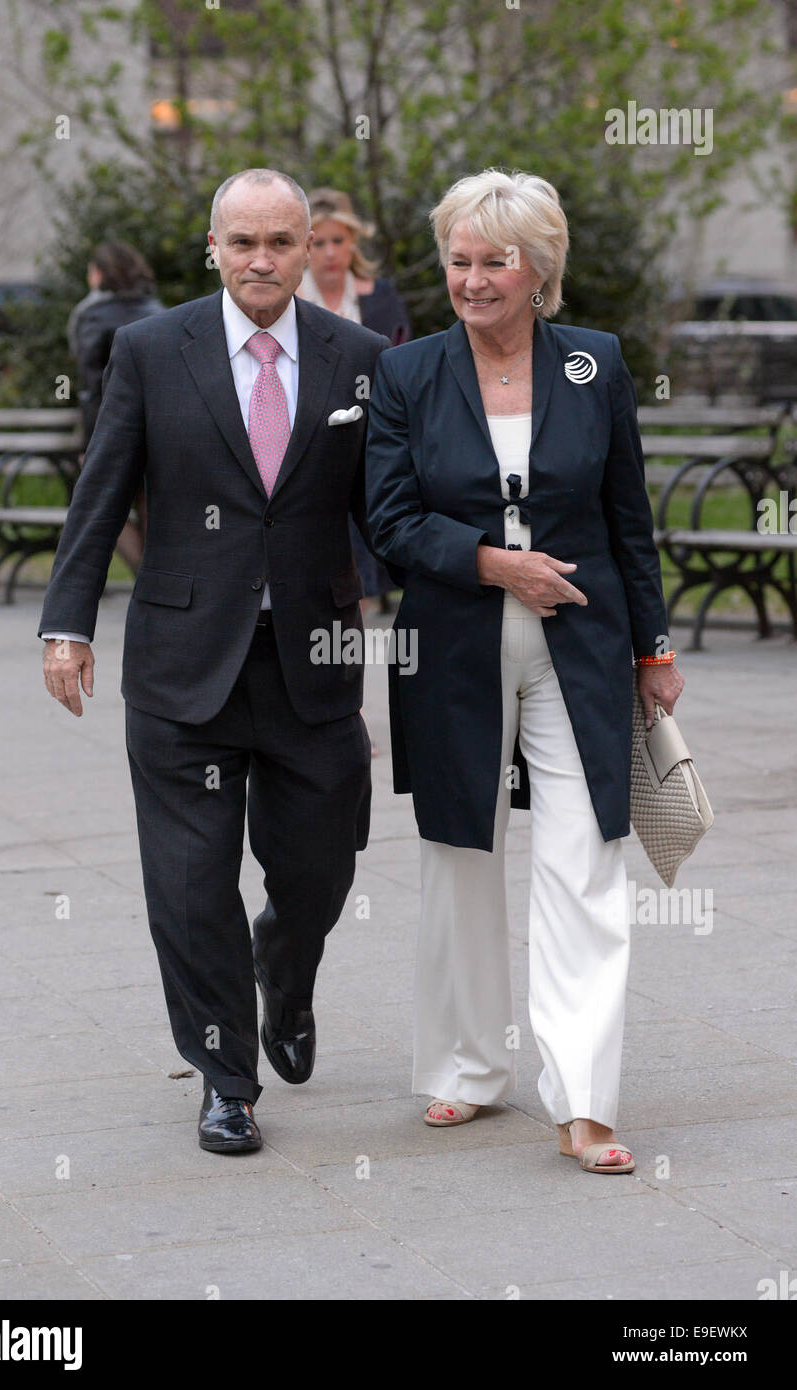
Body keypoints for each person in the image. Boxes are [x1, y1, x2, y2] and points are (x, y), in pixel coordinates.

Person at [40, 169, 389, 1155]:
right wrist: (67, 622)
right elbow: (101, 492)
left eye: (281, 240)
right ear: (213, 248)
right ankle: (224, 1077)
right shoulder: (150, 349)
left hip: (310, 667)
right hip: (181, 663)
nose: (263, 260)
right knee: (189, 886)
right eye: (243, 243)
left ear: (310, 240)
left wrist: (459, 600)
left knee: (319, 868)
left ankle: (283, 960)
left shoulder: (358, 357)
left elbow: (385, 512)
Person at [366, 168, 684, 1174]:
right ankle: (464, 1066)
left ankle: (582, 1100)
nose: (471, 279)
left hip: (581, 645)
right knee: (459, 852)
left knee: (584, 854)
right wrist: (492, 562)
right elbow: (386, 519)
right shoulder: (409, 372)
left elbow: (626, 516)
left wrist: (654, 645)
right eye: (457, 260)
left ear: (536, 269)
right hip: (455, 642)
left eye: (492, 261)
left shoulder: (593, 363)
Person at [298, 188, 411, 612]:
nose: (330, 252)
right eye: (320, 242)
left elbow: (401, 359)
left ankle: (371, 585)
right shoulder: (287, 297)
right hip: (306, 422)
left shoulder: (378, 295)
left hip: (371, 418)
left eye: (339, 241)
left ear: (353, 243)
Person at [70, 242, 164, 574]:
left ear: (97, 274)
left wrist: (88, 444)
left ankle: (147, 580)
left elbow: (89, 385)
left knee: (104, 509)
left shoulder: (89, 314)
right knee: (151, 508)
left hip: (108, 429)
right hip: (157, 428)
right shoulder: (156, 309)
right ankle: (159, 584)